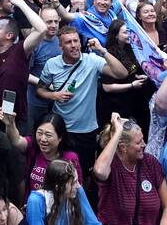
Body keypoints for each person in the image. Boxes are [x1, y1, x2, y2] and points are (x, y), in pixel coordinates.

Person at [37, 26, 131, 184]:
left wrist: (103, 51)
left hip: (85, 130)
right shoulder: (51, 64)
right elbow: (39, 90)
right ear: (60, 47)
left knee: (83, 173)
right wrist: (54, 95)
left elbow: (122, 73)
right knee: (58, 171)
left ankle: (80, 204)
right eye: (68, 42)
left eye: (76, 41)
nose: (73, 45)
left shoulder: (92, 61)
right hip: (60, 129)